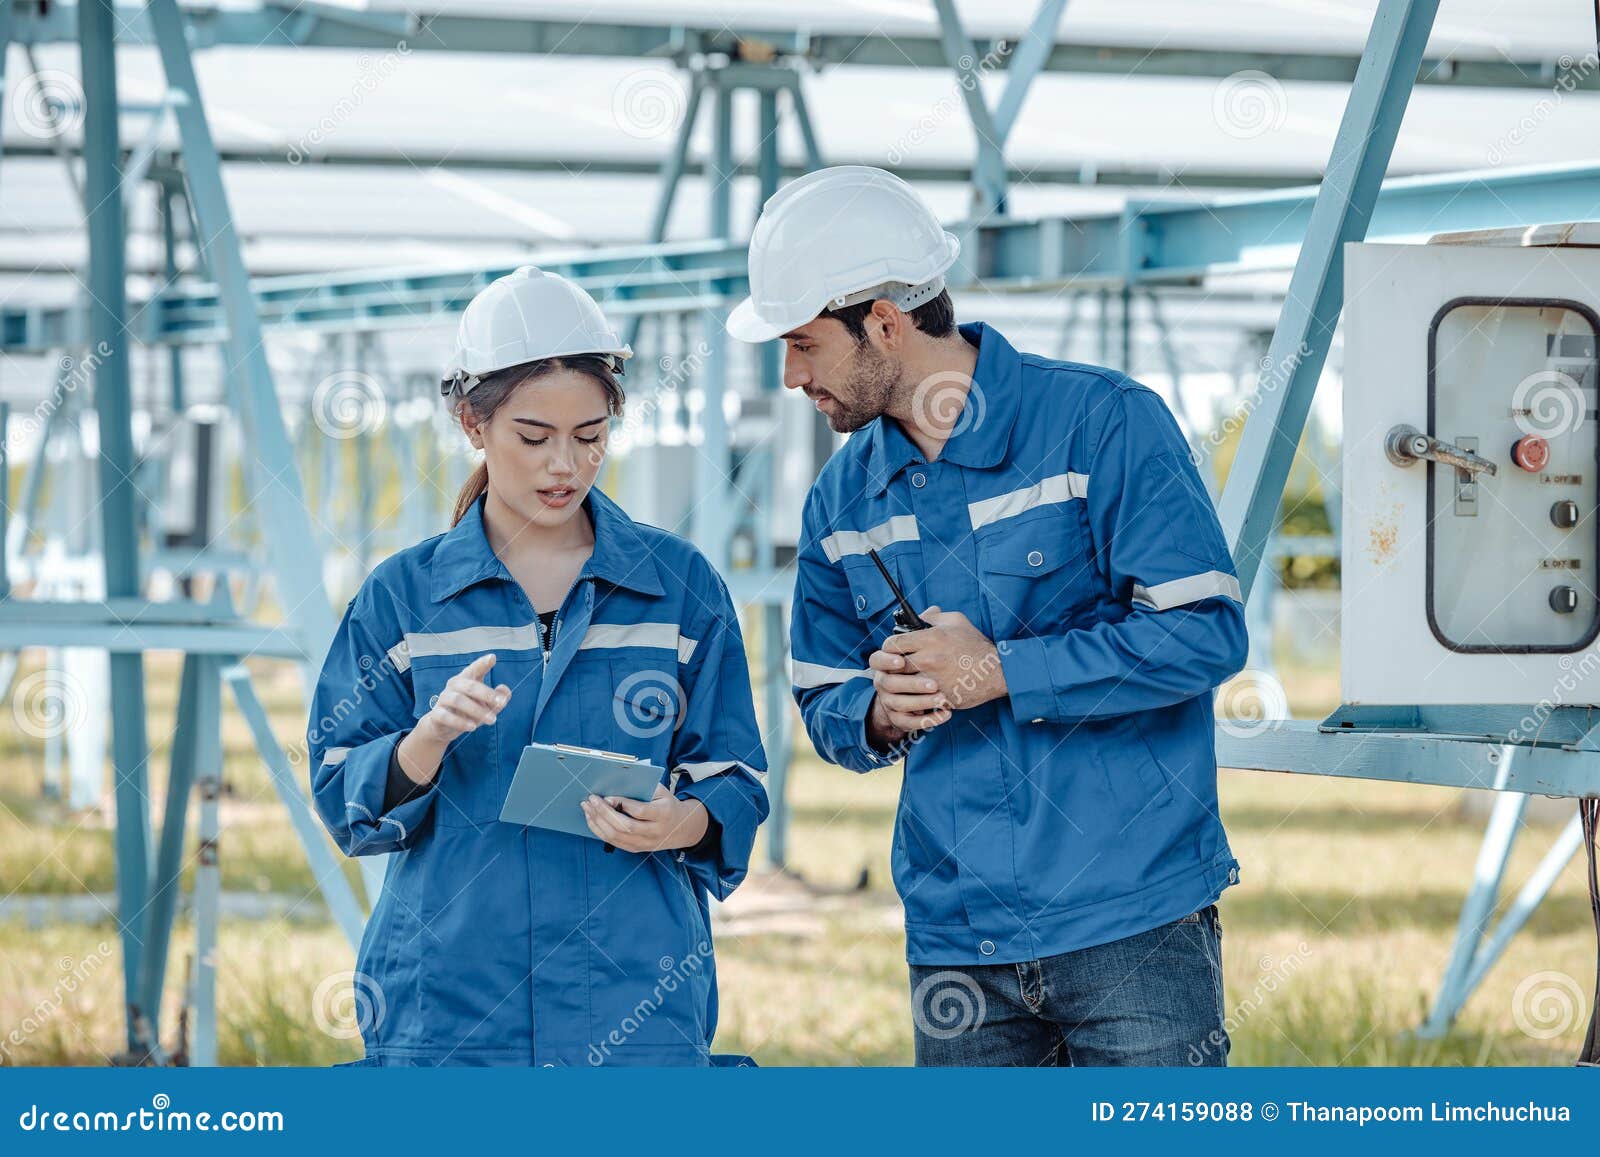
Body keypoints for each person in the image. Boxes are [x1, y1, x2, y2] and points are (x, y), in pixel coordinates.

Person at [728, 166, 1248, 1066]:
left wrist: (1002, 668)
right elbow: (822, 694)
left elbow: (1204, 631)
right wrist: (880, 710)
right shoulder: (840, 500)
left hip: (1131, 918)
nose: (790, 374)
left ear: (884, 322)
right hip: (955, 934)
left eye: (805, 344)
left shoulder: (1104, 422)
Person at [308, 266, 768, 1067]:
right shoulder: (404, 599)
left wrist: (681, 820)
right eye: (534, 436)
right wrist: (424, 742)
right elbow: (339, 787)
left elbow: (735, 774)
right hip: (450, 1002)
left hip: (637, 994)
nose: (565, 464)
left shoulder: (679, 587)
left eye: (590, 436)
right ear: (471, 423)